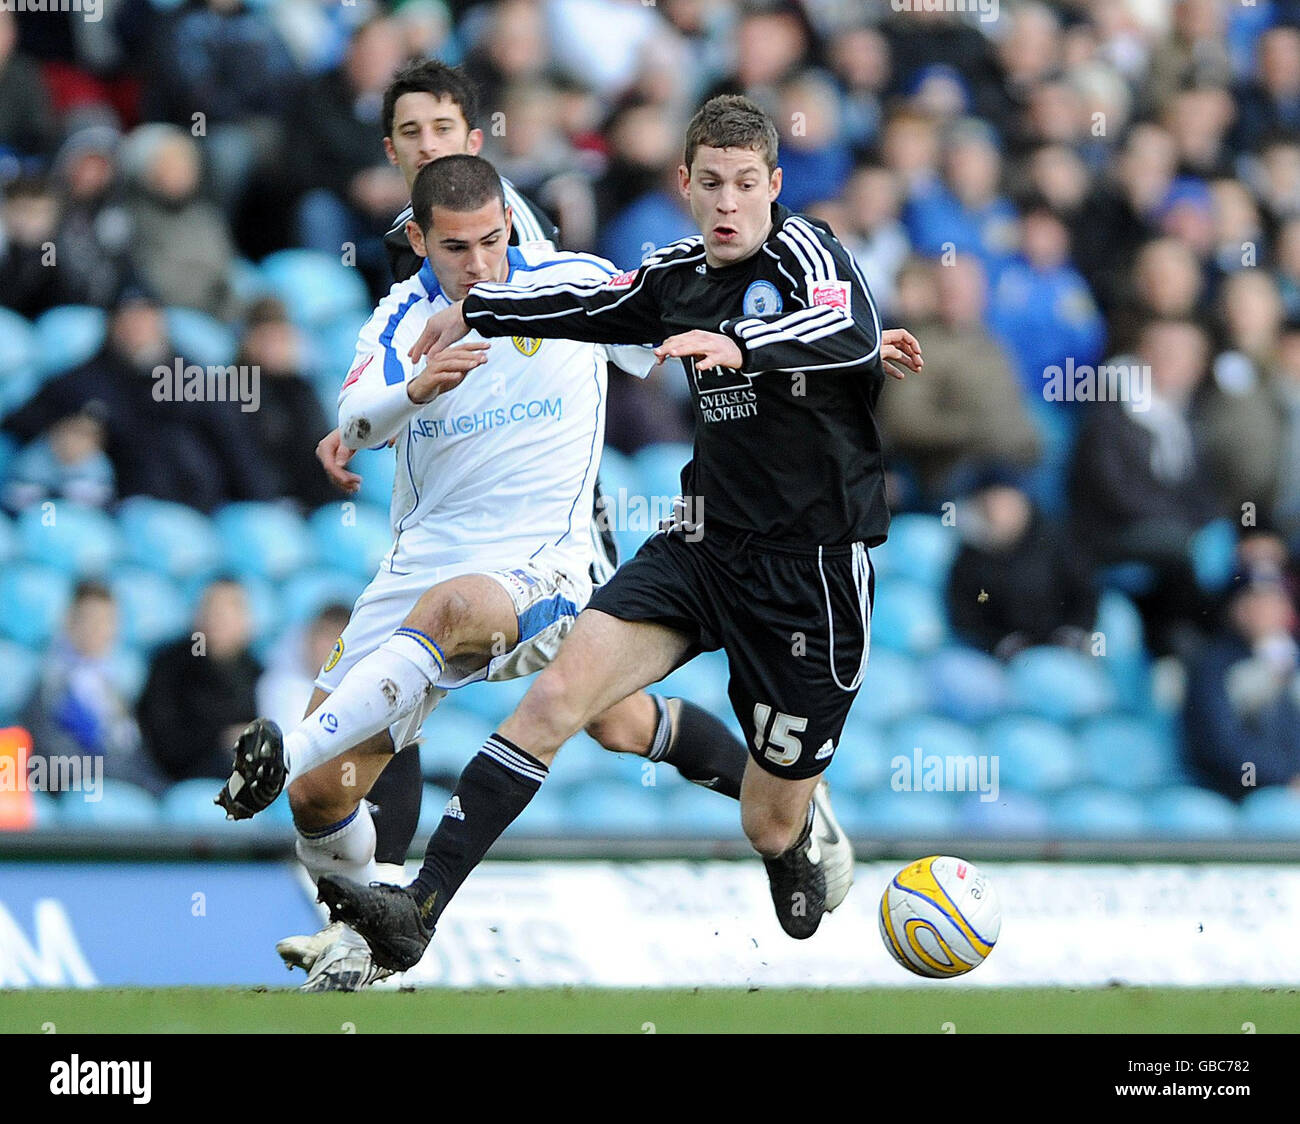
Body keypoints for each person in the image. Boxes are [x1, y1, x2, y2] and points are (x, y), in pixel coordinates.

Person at [301, 95, 924, 971]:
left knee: (766, 816)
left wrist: (741, 345)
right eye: (710, 183)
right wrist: (482, 309)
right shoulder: (676, 278)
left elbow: (847, 326)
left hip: (811, 578)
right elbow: (591, 300)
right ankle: (418, 912)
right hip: (701, 546)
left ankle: (790, 842)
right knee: (558, 701)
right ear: (685, 185)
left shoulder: (808, 250)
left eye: (747, 184)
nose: (728, 202)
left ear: (773, 185)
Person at [218, 155, 758, 992]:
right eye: (458, 248)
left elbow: (668, 331)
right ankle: (362, 927)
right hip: (420, 558)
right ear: (419, 242)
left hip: (546, 562)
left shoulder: (574, 284)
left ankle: (286, 753)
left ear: (511, 224)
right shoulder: (401, 315)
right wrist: (414, 391)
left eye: (493, 241)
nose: (480, 264)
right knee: (321, 800)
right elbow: (354, 419)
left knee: (464, 619)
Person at [138, 578, 262, 784]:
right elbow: (163, 740)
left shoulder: (258, 673)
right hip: (175, 777)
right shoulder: (169, 665)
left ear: (246, 621)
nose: (217, 618)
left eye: (228, 610)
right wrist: (222, 739)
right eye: (211, 609)